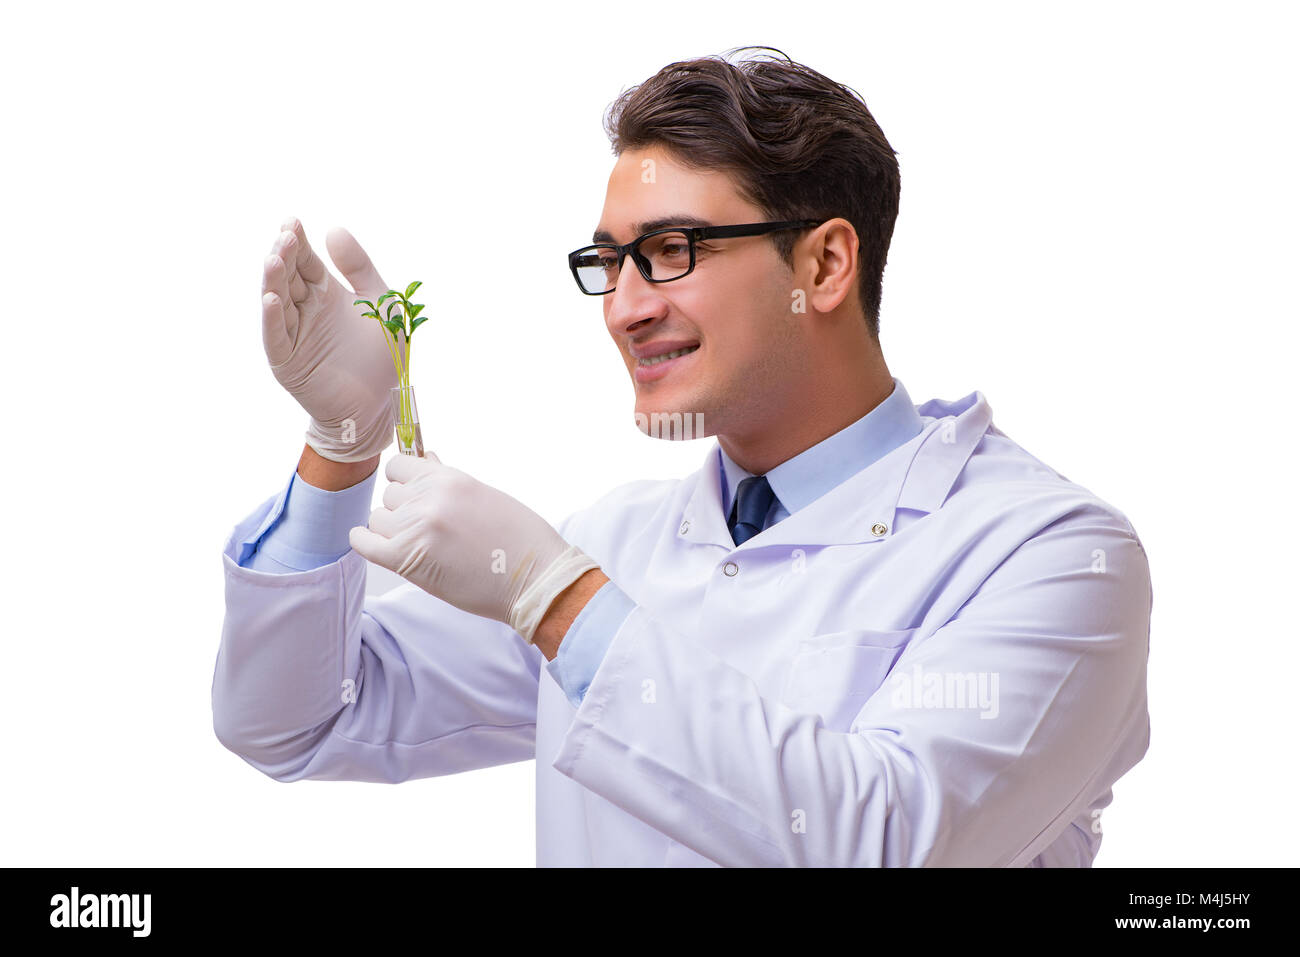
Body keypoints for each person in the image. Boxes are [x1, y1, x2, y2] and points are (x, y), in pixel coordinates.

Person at [213, 47, 1151, 867]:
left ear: (824, 266)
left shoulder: (1052, 554)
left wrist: (556, 599)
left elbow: (891, 838)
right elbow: (295, 720)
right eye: (607, 262)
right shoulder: (616, 540)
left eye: (671, 249)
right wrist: (343, 448)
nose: (624, 306)